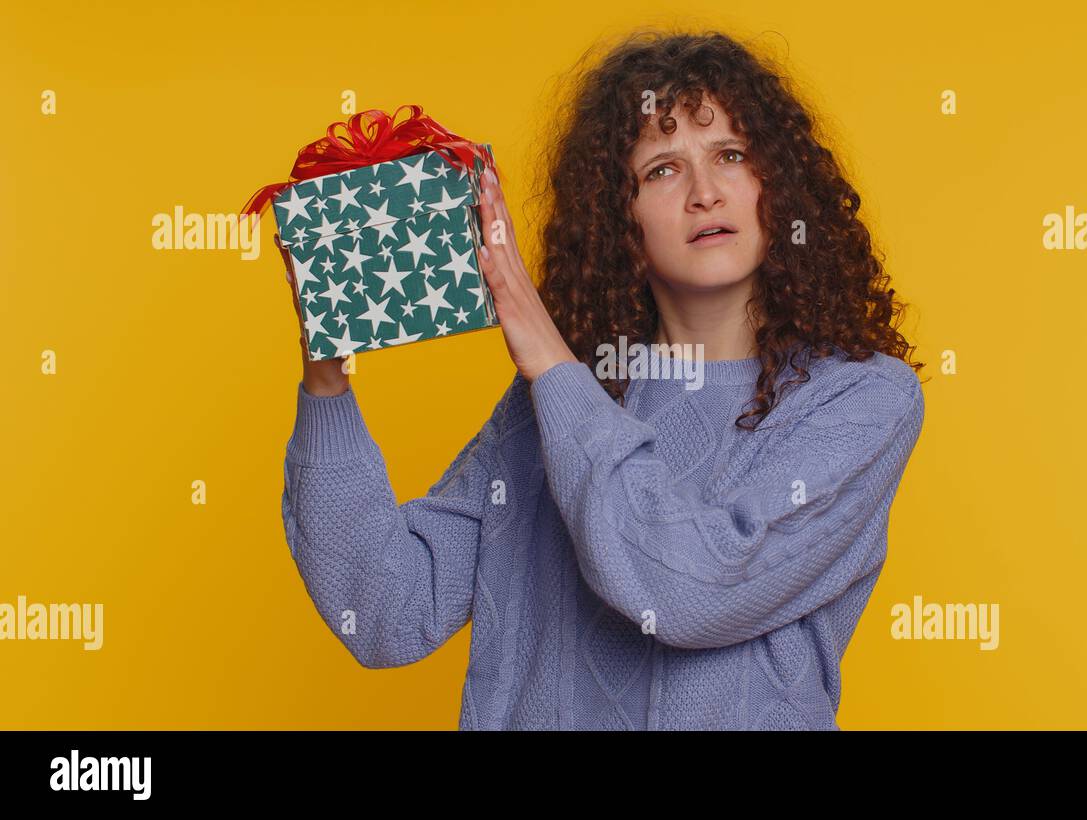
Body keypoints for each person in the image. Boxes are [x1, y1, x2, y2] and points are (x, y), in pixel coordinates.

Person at [279, 30, 926, 730]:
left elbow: (686, 589)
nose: (706, 193)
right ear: (619, 217)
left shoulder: (861, 399)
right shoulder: (556, 403)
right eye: (662, 171)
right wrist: (327, 379)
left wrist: (551, 363)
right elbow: (385, 613)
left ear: (780, 183)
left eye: (731, 155)